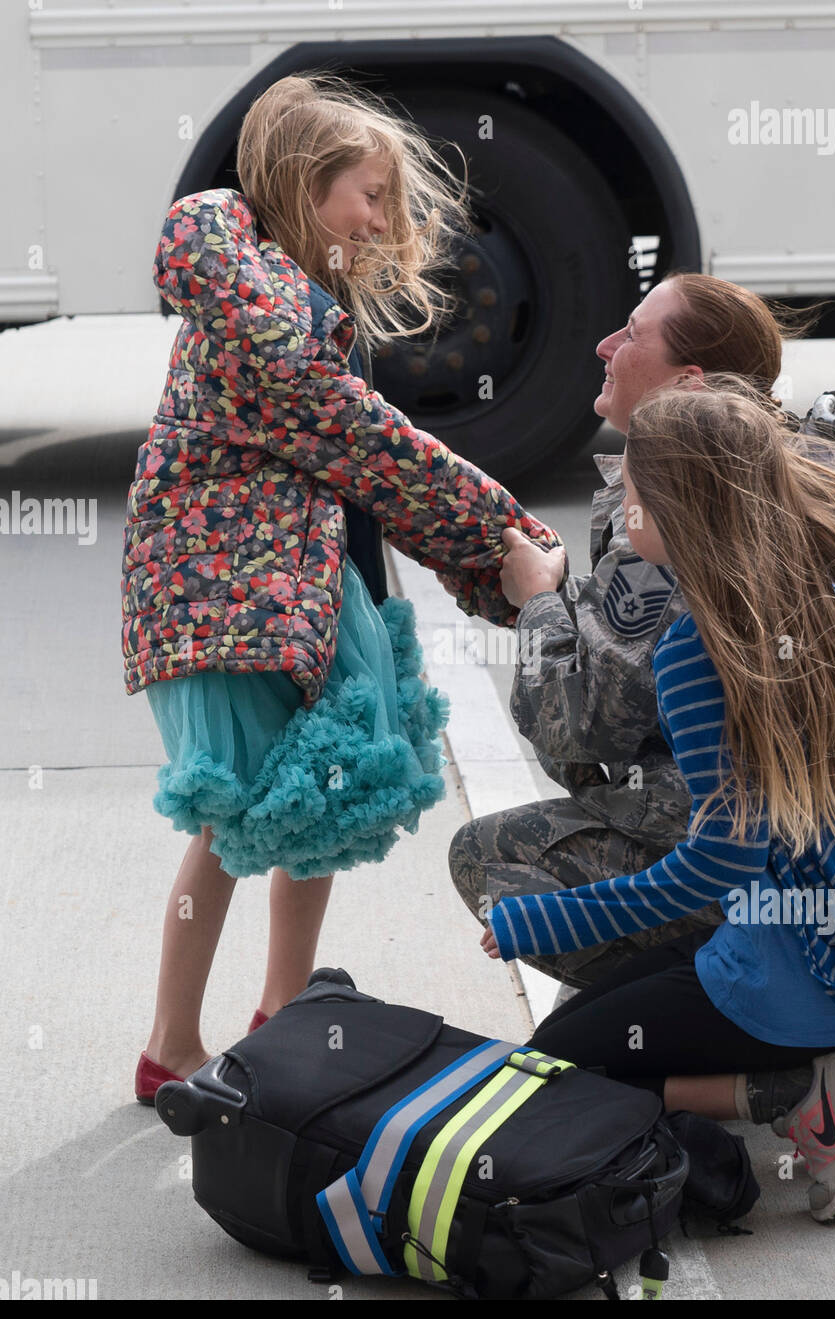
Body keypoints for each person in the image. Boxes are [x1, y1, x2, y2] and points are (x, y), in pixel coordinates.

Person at [122, 71, 564, 1103]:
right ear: (300, 183)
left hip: (294, 582)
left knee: (305, 797)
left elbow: (356, 462)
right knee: (236, 819)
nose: (382, 220)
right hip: (233, 597)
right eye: (366, 194)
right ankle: (173, 1044)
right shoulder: (258, 309)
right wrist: (499, 532)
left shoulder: (280, 296)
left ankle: (280, 1008)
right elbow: (367, 446)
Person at [479, 376, 835, 1222]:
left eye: (630, 489)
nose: (623, 504)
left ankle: (807, 1099)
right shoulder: (827, 596)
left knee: (546, 1070)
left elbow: (718, 860)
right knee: (597, 1023)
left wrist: (538, 923)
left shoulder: (695, 649)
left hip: (787, 970)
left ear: (671, 508)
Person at [449, 272, 835, 990]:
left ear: (687, 384)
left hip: (746, 845)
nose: (605, 345)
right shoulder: (777, 469)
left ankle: (752, 1005)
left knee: (487, 853)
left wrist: (537, 601)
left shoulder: (678, 528)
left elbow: (579, 724)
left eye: (631, 334)